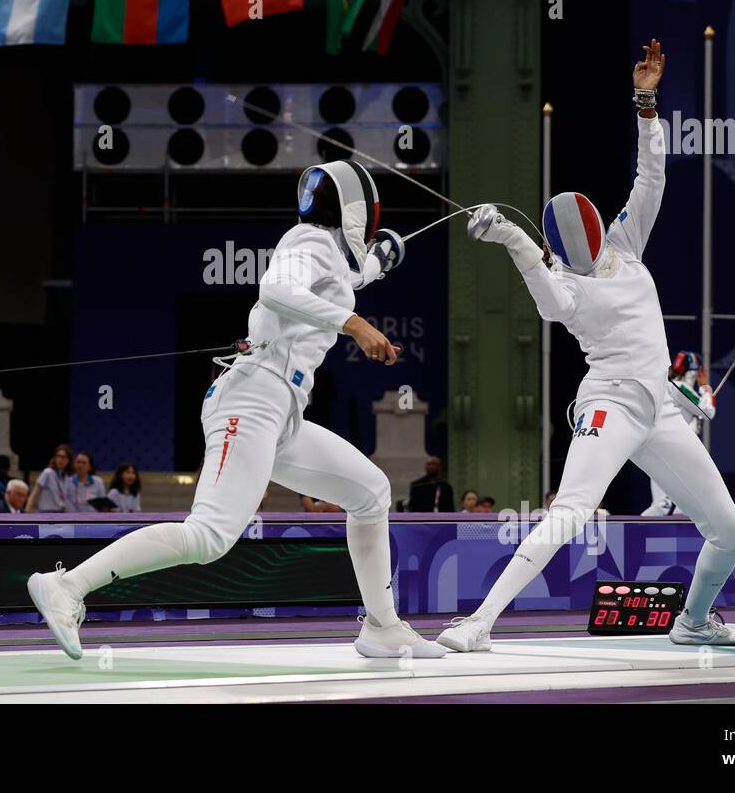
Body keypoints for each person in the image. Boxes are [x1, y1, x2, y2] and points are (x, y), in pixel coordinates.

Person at [27, 158, 442, 660]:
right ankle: (67, 586)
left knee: (371, 492)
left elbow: (347, 277)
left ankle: (381, 626)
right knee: (208, 536)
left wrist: (382, 258)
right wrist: (355, 324)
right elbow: (278, 289)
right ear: (355, 211)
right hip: (251, 400)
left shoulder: (329, 256)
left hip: (281, 414)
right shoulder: (307, 241)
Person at [446, 40, 735, 652]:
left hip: (660, 413)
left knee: (730, 530)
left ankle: (693, 623)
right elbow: (544, 296)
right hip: (609, 406)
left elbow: (652, 176)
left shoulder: (625, 243)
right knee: (570, 511)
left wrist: (646, 102)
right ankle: (477, 624)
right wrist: (508, 234)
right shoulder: (565, 286)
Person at [643, 350, 716, 515]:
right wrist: (705, 386)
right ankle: (631, 537)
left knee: (673, 504)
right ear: (693, 371)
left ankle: (634, 537)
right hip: (671, 451)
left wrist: (691, 425)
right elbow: (708, 411)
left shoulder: (666, 386)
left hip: (659, 448)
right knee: (669, 504)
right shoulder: (680, 387)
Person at [27, 443, 73, 513]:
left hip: (61, 513)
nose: (60, 459)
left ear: (68, 460)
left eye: (64, 457)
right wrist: (26, 511)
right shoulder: (47, 472)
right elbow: (34, 494)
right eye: (58, 456)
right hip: (46, 512)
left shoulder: (66, 477)